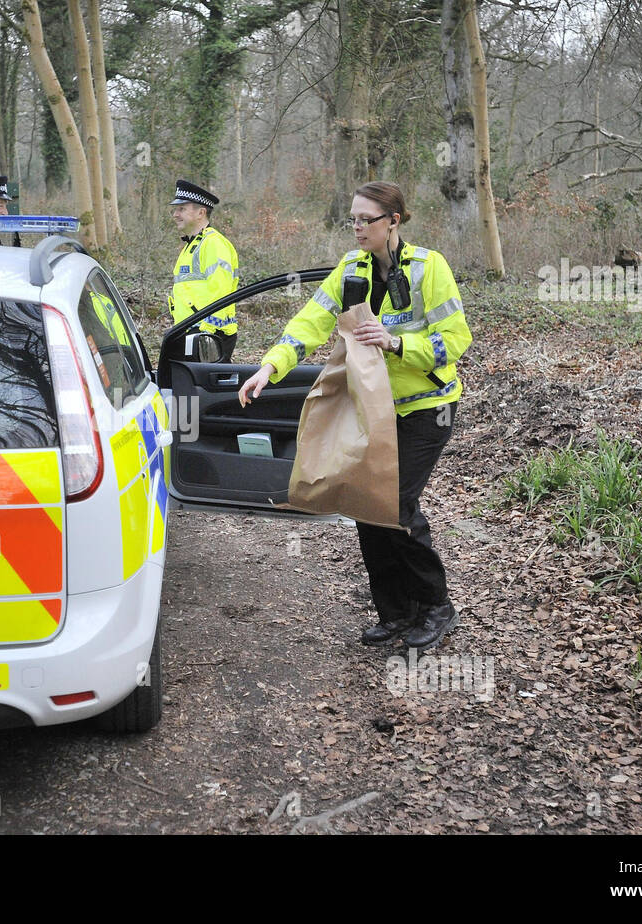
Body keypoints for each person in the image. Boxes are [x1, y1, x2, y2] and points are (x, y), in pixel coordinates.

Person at [237, 181, 472, 652]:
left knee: (396, 506)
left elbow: (457, 337)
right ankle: (396, 613)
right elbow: (311, 320)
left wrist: (397, 342)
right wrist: (271, 366)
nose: (358, 228)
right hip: (374, 408)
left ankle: (435, 605)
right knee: (368, 505)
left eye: (367, 219)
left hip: (428, 408)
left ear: (393, 222)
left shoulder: (429, 267)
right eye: (353, 219)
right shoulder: (350, 268)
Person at [169, 179, 240, 361]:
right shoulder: (193, 245)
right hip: (191, 333)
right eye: (175, 209)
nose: (175, 214)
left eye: (182, 209)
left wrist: (206, 334)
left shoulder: (213, 244)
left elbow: (221, 292)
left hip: (207, 338)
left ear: (201, 213)